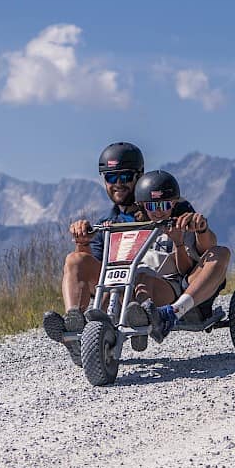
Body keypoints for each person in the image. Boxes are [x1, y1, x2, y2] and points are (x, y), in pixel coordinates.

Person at [42, 141, 146, 359]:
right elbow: (92, 275)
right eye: (110, 177)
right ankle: (73, 326)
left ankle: (80, 336)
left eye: (125, 177)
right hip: (113, 289)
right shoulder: (105, 223)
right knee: (74, 259)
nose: (118, 184)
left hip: (146, 287)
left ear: (140, 176)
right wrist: (83, 242)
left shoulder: (160, 210)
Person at [123, 170, 230, 345]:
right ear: (142, 205)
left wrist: (179, 242)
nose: (158, 212)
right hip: (133, 288)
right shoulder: (133, 229)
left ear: (173, 204)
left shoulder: (179, 225)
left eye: (164, 205)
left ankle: (165, 315)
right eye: (152, 206)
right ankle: (130, 318)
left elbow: (186, 270)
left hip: (171, 288)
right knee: (140, 278)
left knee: (221, 252)